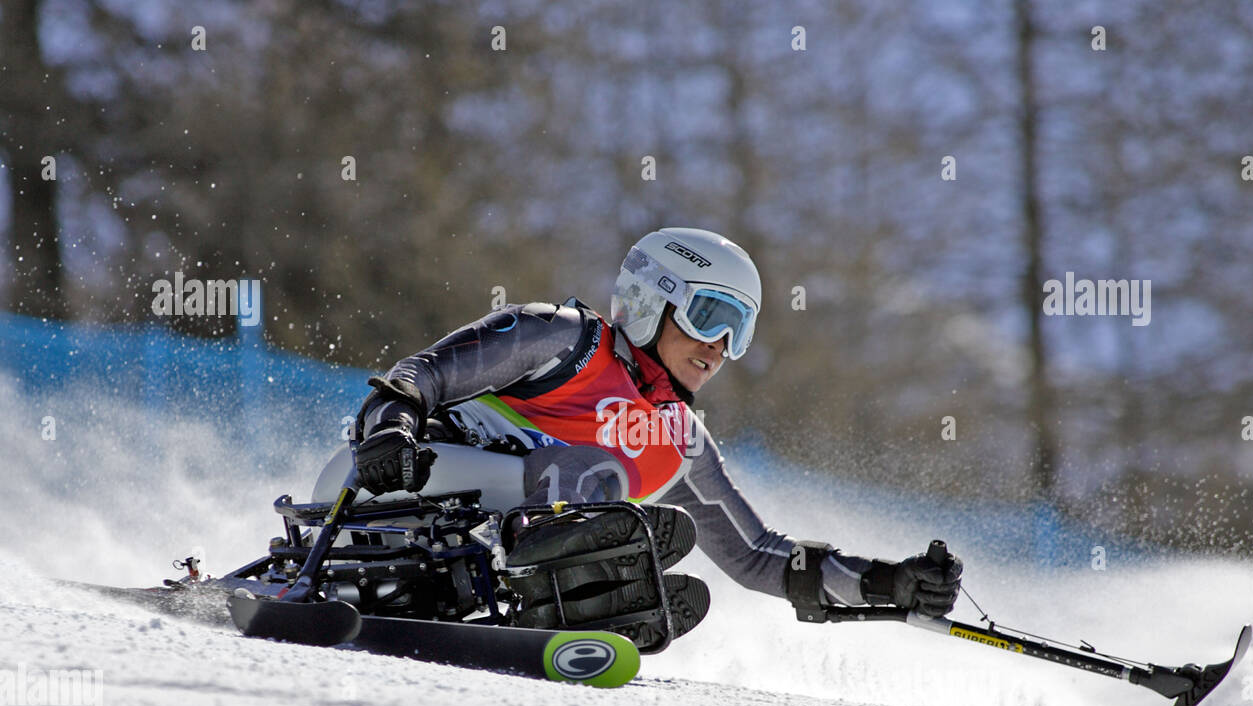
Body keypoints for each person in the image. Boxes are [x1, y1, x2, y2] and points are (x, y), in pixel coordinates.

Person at [351, 227, 962, 647]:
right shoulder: (562, 339)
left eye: (737, 331)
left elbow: (757, 556)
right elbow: (420, 375)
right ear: (653, 300)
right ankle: (547, 568)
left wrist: (886, 583)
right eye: (709, 318)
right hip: (399, 496)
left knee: (642, 531)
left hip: (479, 567)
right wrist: (389, 428)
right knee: (602, 477)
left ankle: (568, 597)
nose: (718, 348)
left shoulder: (679, 438)